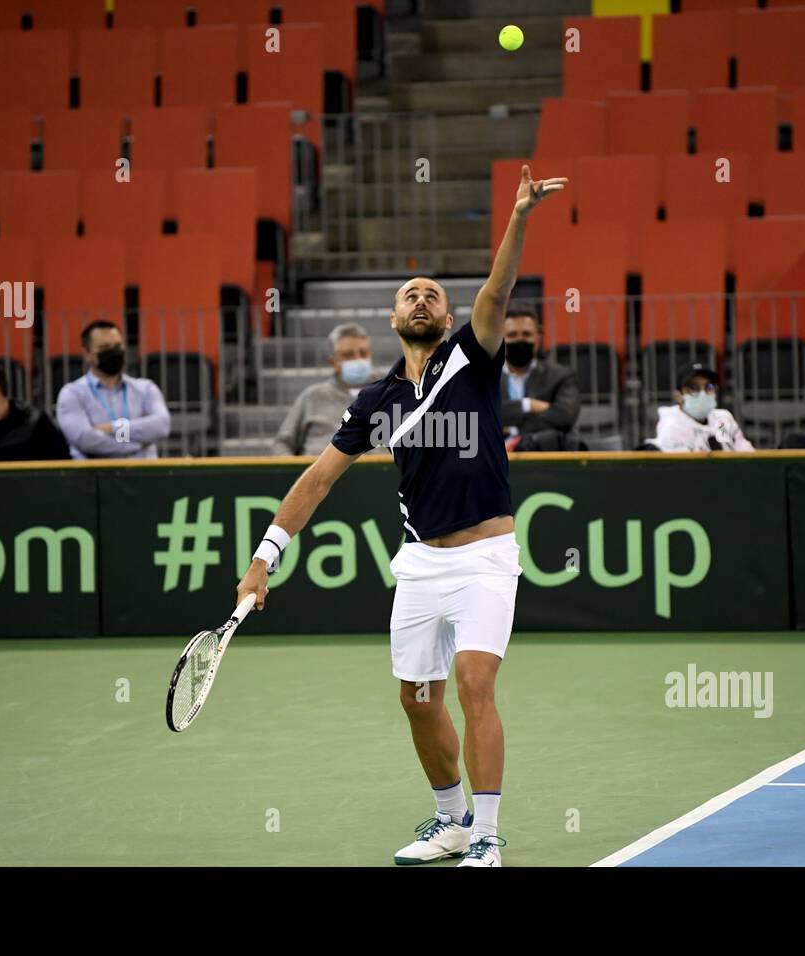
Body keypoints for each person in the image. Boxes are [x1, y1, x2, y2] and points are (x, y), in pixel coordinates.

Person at [236, 164, 567, 868]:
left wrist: (519, 217)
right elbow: (318, 480)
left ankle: (485, 834)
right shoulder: (375, 401)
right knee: (417, 700)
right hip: (420, 563)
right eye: (409, 294)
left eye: (432, 295)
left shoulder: (472, 358)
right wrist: (265, 557)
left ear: (447, 318)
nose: (421, 299)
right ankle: (449, 821)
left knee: (476, 682)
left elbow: (498, 289)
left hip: (485, 557)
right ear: (393, 319)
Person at [55, 320, 171, 459]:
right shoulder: (72, 393)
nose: (113, 352)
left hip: (143, 473)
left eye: (117, 346)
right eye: (104, 348)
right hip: (95, 476)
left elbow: (161, 426)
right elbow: (85, 439)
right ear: (87, 354)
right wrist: (136, 445)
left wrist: (111, 428)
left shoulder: (145, 388)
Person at [273, 323, 379, 456]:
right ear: (333, 362)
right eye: (348, 355)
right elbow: (282, 444)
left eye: (363, 353)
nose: (358, 359)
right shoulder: (312, 396)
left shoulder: (390, 394)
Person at [499, 303, 582, 451]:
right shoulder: (484, 378)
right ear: (500, 337)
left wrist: (513, 429)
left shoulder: (561, 376)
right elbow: (479, 416)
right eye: (512, 335)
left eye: (526, 334)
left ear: (538, 338)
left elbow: (564, 416)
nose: (520, 340)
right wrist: (529, 405)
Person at [652, 362, 754, 452]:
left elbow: (746, 453)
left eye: (709, 387)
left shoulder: (722, 420)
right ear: (678, 396)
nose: (703, 393)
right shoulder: (672, 428)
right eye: (693, 388)